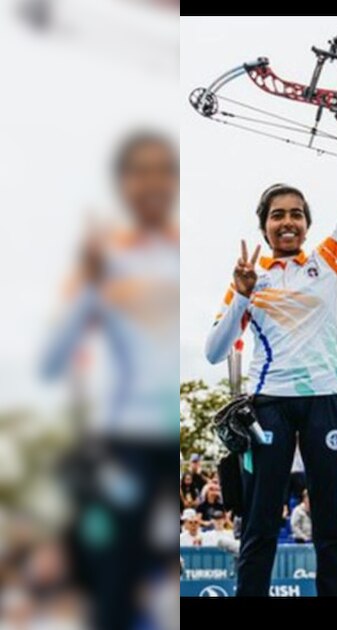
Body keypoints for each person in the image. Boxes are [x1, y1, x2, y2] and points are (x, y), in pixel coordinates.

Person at [203, 91, 337, 598]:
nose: (287, 222)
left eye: (296, 214)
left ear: (306, 223)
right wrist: (240, 294)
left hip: (327, 400)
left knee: (331, 533)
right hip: (268, 407)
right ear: (264, 226)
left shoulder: (328, 259)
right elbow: (214, 351)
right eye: (277, 215)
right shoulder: (249, 281)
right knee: (258, 531)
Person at [41, 129, 181, 630]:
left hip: (179, 443)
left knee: (170, 583)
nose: (153, 181)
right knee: (117, 577)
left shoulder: (187, 251)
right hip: (126, 442)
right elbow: (52, 360)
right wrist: (88, 281)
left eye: (163, 168)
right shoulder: (107, 259)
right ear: (123, 183)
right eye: (140, 170)